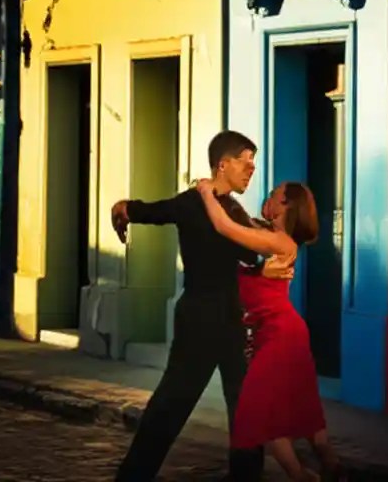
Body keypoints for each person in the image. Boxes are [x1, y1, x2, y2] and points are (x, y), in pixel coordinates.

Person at [112, 131, 289, 482]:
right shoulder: (194, 201)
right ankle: (133, 476)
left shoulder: (235, 210)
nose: (252, 168)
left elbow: (245, 254)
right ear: (223, 164)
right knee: (172, 404)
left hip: (233, 320)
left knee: (246, 407)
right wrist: (125, 209)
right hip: (199, 318)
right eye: (245, 160)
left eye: (254, 161)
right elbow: (156, 211)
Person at [195, 178, 344, 482]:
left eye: (275, 195)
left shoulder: (280, 243)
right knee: (304, 414)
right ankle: (333, 473)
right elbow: (241, 221)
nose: (269, 196)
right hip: (279, 333)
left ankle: (302, 477)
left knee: (258, 413)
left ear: (286, 205)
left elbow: (226, 227)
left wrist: (205, 193)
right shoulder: (271, 234)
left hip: (280, 335)